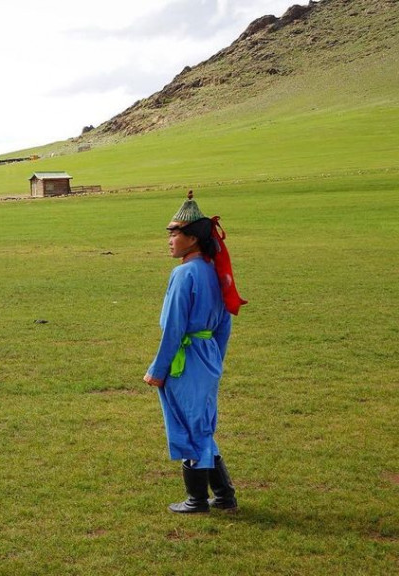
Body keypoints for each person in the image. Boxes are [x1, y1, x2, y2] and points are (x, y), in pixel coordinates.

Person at [144, 190, 245, 513]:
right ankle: (224, 495)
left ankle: (197, 498)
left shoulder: (184, 273)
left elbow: (174, 328)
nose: (170, 240)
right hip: (208, 356)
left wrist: (158, 370)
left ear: (193, 238)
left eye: (175, 233)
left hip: (186, 361)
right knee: (201, 423)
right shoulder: (214, 271)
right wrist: (216, 359)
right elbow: (225, 323)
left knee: (190, 425)